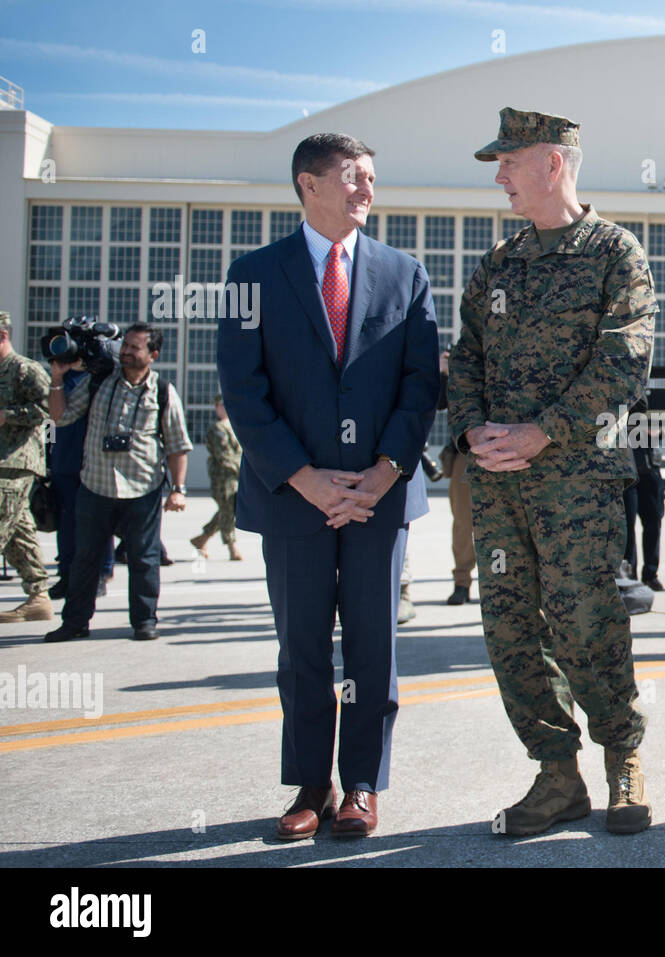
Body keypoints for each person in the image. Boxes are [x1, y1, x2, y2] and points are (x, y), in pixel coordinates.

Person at [218, 133, 439, 840]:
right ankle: (311, 784)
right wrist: (306, 479)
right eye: (353, 177)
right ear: (308, 183)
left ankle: (364, 785)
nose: (367, 190)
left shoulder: (406, 275)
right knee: (304, 648)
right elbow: (244, 392)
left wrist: (383, 472)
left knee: (374, 646)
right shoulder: (252, 276)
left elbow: (419, 385)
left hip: (379, 498)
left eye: (373, 177)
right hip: (293, 500)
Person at [450, 107, 656, 836]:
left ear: (553, 163)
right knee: (510, 628)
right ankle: (555, 773)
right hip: (500, 482)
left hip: (576, 484)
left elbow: (625, 359)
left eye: (509, 161)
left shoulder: (613, 253)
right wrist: (473, 429)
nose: (500, 176)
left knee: (585, 621)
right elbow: (465, 355)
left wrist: (543, 432)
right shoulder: (499, 264)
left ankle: (621, 756)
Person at [44, 323, 191, 642]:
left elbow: (178, 445)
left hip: (143, 489)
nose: (125, 351)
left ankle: (143, 620)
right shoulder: (97, 383)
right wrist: (57, 381)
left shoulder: (163, 391)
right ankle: (75, 623)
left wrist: (178, 490)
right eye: (124, 345)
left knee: (144, 558)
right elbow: (61, 418)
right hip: (96, 487)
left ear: (153, 355)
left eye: (134, 347)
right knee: (85, 559)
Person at [0, 310, 54, 623]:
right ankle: (38, 597)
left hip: (16, 463)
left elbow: (49, 409)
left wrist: (9, 415)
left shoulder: (24, 369)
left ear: (3, 335)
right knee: (19, 533)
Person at [47, 356, 115, 600]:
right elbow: (49, 423)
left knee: (98, 523)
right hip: (64, 461)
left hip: (92, 462)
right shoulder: (57, 380)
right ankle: (66, 574)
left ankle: (102, 573)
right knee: (65, 523)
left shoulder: (99, 377)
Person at [437, 349, 474, 606]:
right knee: (463, 523)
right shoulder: (462, 360)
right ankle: (461, 582)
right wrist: (444, 373)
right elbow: (438, 403)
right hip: (466, 452)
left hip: (509, 450)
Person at [190, 395, 242, 561]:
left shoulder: (235, 426)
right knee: (228, 510)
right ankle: (232, 547)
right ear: (217, 408)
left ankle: (202, 538)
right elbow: (224, 456)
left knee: (228, 510)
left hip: (236, 476)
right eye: (222, 405)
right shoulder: (218, 428)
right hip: (224, 477)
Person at [622, 434, 665, 591]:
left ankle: (650, 574)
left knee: (654, 523)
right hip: (626, 471)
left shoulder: (652, 411)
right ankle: (630, 575)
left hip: (650, 470)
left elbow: (657, 430)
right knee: (627, 527)